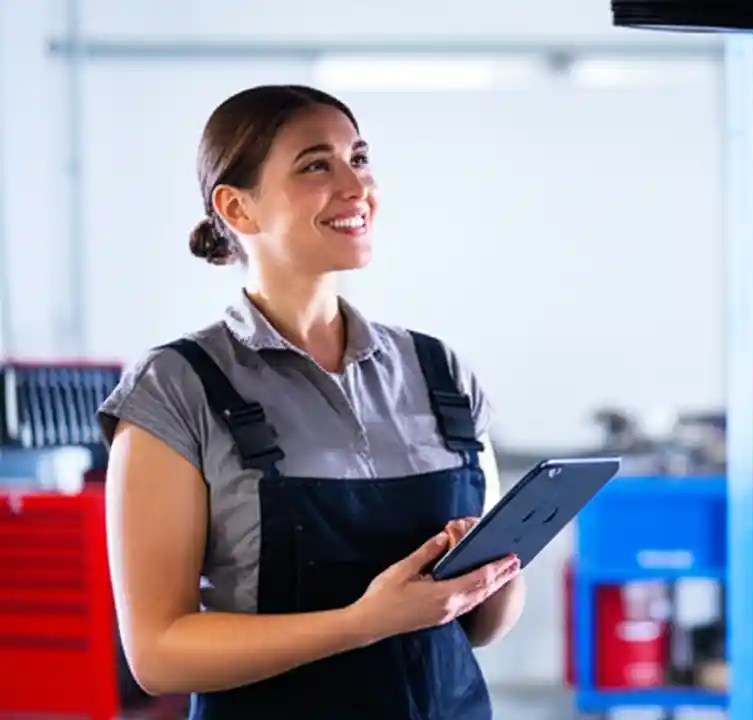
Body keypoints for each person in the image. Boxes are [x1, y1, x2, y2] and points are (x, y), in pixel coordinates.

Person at [99, 84, 525, 719]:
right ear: (238, 208)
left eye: (359, 158)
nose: (356, 186)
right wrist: (363, 623)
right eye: (316, 166)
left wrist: (494, 571)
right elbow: (158, 654)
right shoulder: (176, 389)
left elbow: (484, 628)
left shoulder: (441, 374)